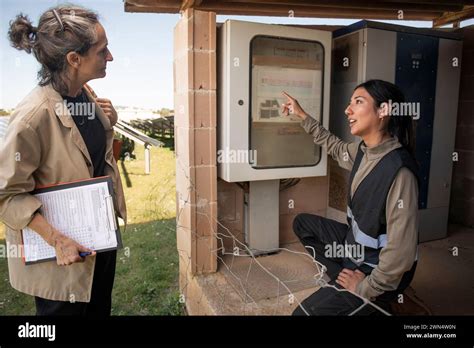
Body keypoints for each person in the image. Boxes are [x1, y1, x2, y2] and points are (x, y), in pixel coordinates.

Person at [0, 4, 126, 316]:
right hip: (63, 255)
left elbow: (90, 154)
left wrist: (109, 121)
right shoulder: (31, 117)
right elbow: (7, 194)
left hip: (99, 240)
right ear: (74, 59)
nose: (109, 57)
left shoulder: (85, 93)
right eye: (102, 50)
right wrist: (57, 240)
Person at [282, 80, 419, 315]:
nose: (348, 109)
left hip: (376, 265)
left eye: (358, 102)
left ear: (383, 110)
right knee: (302, 224)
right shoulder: (362, 151)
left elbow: (401, 253)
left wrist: (365, 287)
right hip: (356, 248)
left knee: (302, 314)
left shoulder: (399, 172)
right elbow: (334, 146)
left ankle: (369, 297)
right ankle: (346, 278)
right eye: (350, 102)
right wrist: (301, 114)